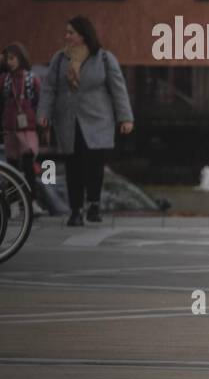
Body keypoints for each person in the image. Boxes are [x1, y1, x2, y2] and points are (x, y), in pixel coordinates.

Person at [35, 17, 134, 226]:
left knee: (95, 165)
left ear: (83, 35)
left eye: (71, 32)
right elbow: (49, 89)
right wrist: (43, 114)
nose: (67, 36)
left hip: (98, 120)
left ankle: (94, 204)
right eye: (67, 32)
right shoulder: (60, 59)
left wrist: (125, 118)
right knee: (74, 166)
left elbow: (118, 90)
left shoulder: (104, 59)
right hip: (68, 121)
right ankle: (76, 210)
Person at [1, 43, 47, 212]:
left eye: (13, 58)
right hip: (10, 127)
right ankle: (13, 202)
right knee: (11, 167)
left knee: (28, 164)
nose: (10, 62)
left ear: (21, 58)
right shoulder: (5, 79)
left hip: (28, 127)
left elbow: (40, 101)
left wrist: (42, 122)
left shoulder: (31, 79)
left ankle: (31, 201)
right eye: (7, 59)